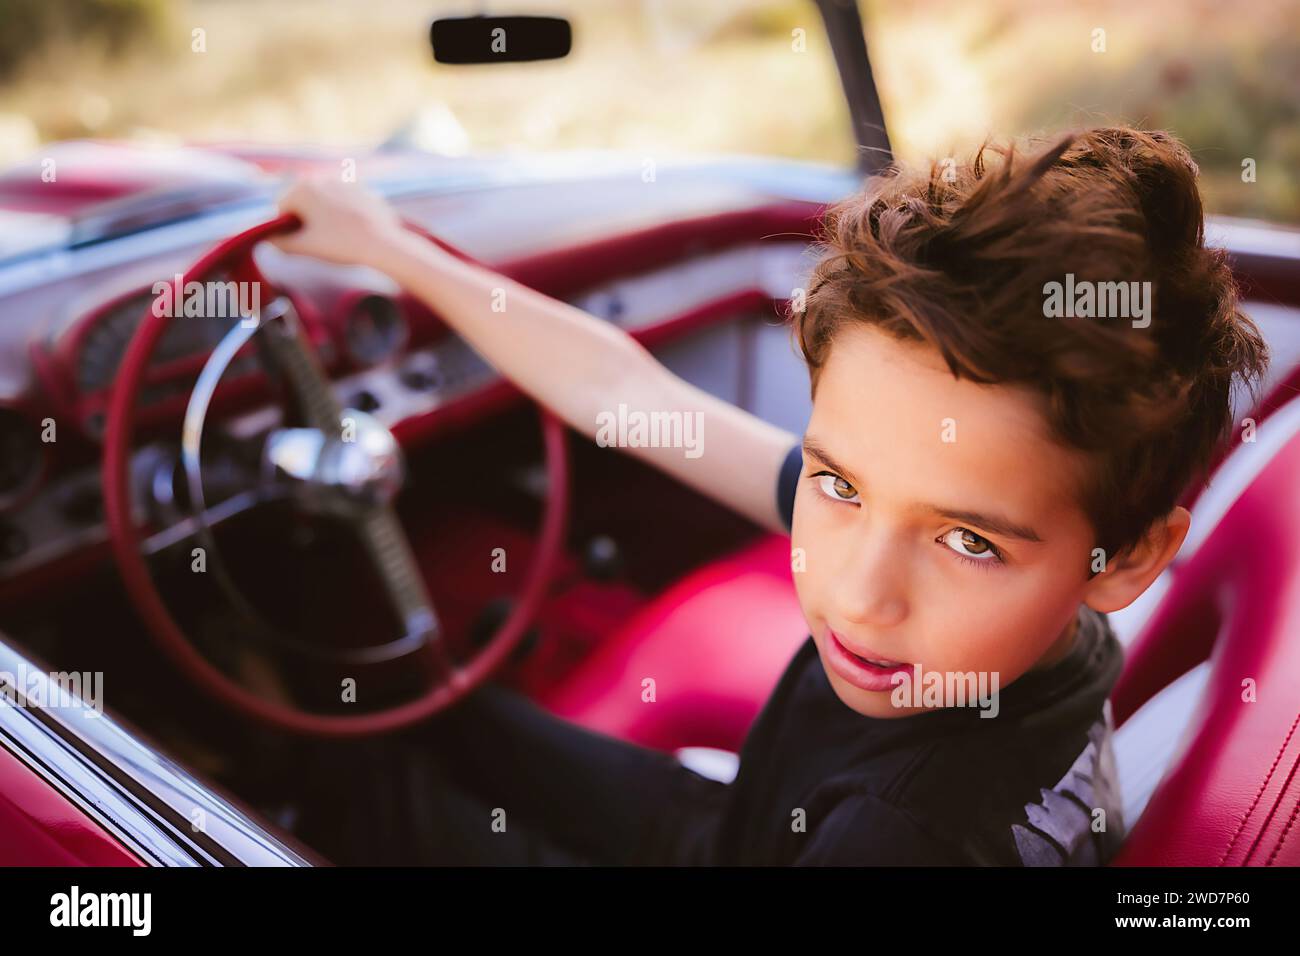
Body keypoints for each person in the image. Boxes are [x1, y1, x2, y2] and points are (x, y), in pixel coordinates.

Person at [275, 126, 1268, 865]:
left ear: (1129, 555)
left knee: (377, 793)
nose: (855, 592)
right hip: (744, 829)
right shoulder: (1044, 611)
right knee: (434, 707)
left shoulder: (903, 836)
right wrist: (390, 248)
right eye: (837, 483)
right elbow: (625, 394)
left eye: (968, 542)